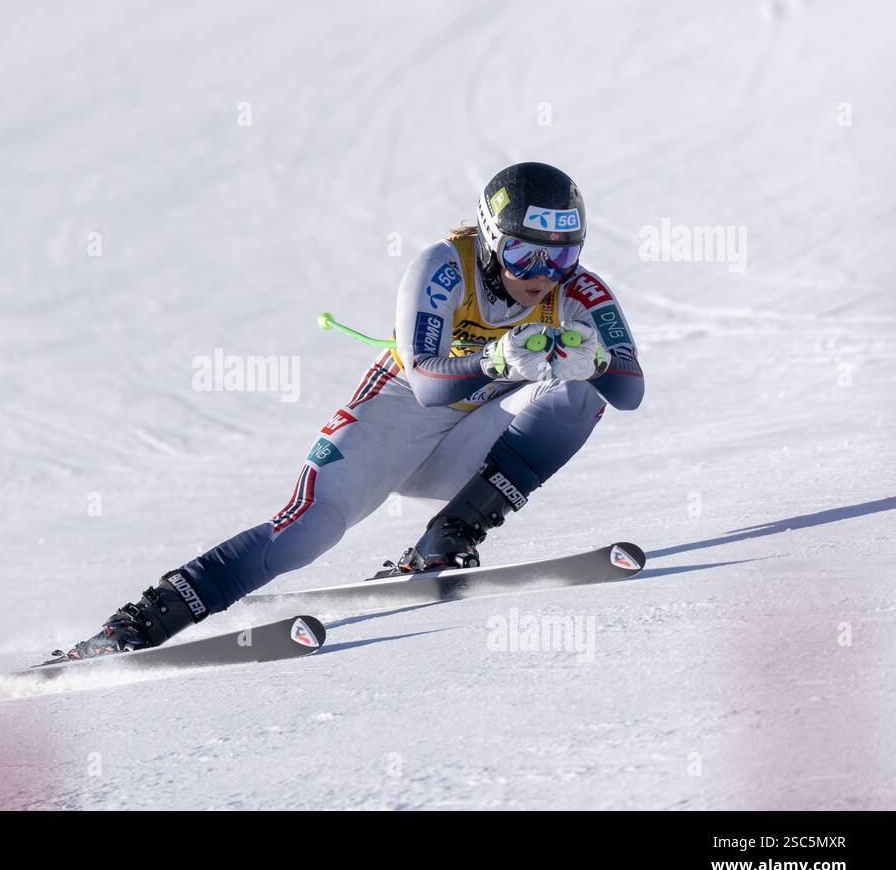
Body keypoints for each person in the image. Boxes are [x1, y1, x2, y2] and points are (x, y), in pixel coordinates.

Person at [51, 161, 644, 661]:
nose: (542, 278)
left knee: (584, 390)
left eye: (560, 259)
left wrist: (593, 363)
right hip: (389, 427)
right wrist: (494, 359)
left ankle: (449, 533)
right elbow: (428, 386)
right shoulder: (442, 267)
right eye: (523, 255)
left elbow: (631, 391)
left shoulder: (581, 293)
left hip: (462, 446)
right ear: (490, 240)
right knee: (306, 534)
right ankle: (133, 627)